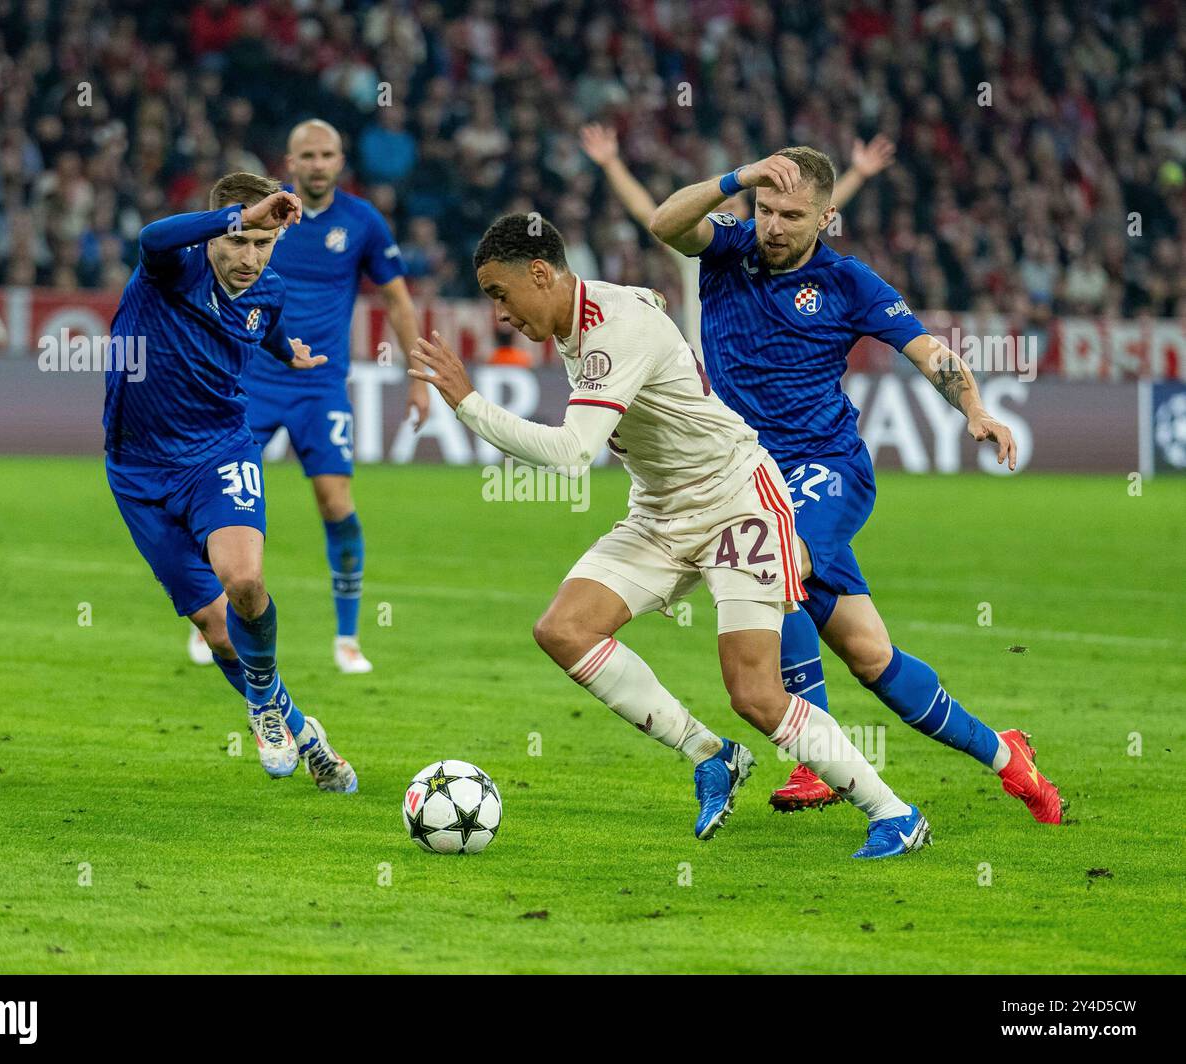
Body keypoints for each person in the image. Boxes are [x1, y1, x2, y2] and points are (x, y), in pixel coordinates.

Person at [408, 212, 930, 858]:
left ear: (540, 274)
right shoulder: (588, 314)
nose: (501, 313)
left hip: (738, 501)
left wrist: (468, 403)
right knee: (564, 630)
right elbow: (646, 307)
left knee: (757, 694)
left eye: (499, 293)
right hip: (661, 511)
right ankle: (711, 756)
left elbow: (574, 453)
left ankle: (895, 814)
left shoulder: (612, 331)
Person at [649, 149, 1064, 821]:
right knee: (871, 656)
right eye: (765, 211)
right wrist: (736, 180)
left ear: (827, 217)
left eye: (792, 215)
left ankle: (814, 763)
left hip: (824, 470)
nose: (773, 226)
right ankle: (1006, 753)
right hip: (746, 477)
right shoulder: (728, 249)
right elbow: (665, 223)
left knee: (771, 558)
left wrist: (977, 409)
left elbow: (930, 353)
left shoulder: (848, 283)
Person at [105, 171, 357, 793]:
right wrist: (238, 216)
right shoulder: (172, 269)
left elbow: (262, 324)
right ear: (217, 232)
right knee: (217, 630)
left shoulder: (269, 289)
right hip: (137, 470)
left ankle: (264, 706)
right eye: (241, 241)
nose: (251, 259)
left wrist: (287, 352)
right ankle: (294, 722)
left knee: (243, 579)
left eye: (264, 245)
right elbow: (151, 234)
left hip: (219, 449)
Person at [190, 119, 429, 675]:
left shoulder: (363, 222)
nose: (319, 164)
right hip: (250, 376)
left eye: (328, 154)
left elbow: (397, 302)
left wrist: (418, 378)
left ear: (341, 160)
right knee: (218, 496)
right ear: (290, 163)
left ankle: (347, 638)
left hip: (321, 385)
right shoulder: (264, 217)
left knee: (334, 500)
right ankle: (211, 620)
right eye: (308, 155)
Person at [579, 125, 896, 354]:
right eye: (721, 208)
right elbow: (649, 214)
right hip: (709, 384)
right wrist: (611, 163)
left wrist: (859, 173)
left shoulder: (773, 243)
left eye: (734, 207)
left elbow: (811, 211)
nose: (727, 212)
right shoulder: (700, 251)